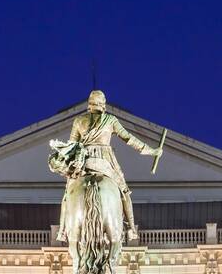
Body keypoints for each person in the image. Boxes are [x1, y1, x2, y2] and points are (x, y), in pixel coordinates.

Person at [56, 90, 163, 244]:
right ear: (103, 104)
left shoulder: (79, 121)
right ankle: (132, 228)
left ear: (89, 104)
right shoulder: (110, 120)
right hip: (105, 160)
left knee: (67, 195)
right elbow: (129, 138)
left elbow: (72, 145)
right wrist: (151, 150)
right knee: (124, 191)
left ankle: (62, 231)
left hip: (83, 161)